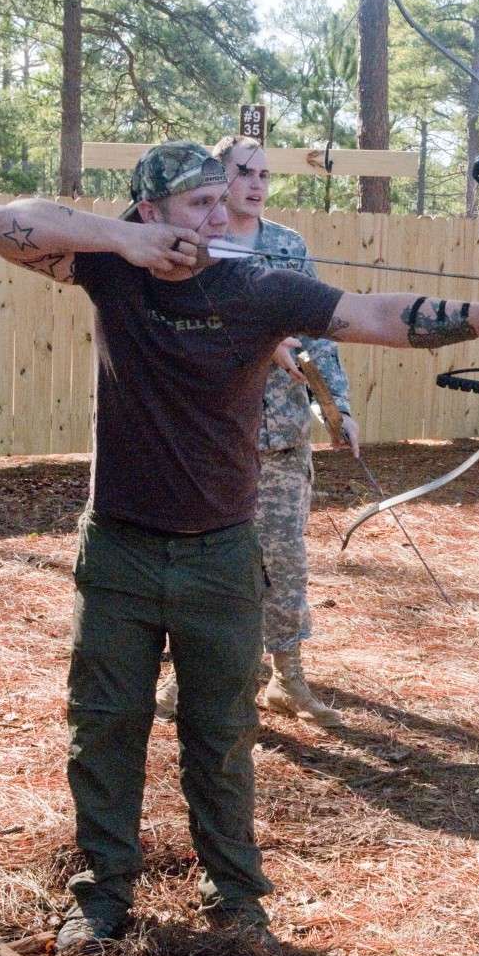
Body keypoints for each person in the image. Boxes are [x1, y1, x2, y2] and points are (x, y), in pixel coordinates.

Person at [0, 141, 479, 953]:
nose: (220, 216)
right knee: (103, 729)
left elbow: (371, 315)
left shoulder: (258, 286)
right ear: (149, 212)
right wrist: (119, 242)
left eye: (223, 199)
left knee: (219, 738)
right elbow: (0, 223)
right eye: (196, 204)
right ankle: (102, 894)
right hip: (117, 546)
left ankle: (236, 901)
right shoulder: (107, 269)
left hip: (223, 548)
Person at [156, 134, 356, 730]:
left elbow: (320, 325)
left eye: (265, 174)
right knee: (201, 565)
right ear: (219, 177)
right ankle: (185, 679)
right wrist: (264, 341)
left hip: (282, 438)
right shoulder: (193, 245)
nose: (256, 183)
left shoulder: (287, 246)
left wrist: (336, 405)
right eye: (244, 171)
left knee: (284, 561)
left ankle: (287, 678)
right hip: (210, 440)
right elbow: (180, 329)